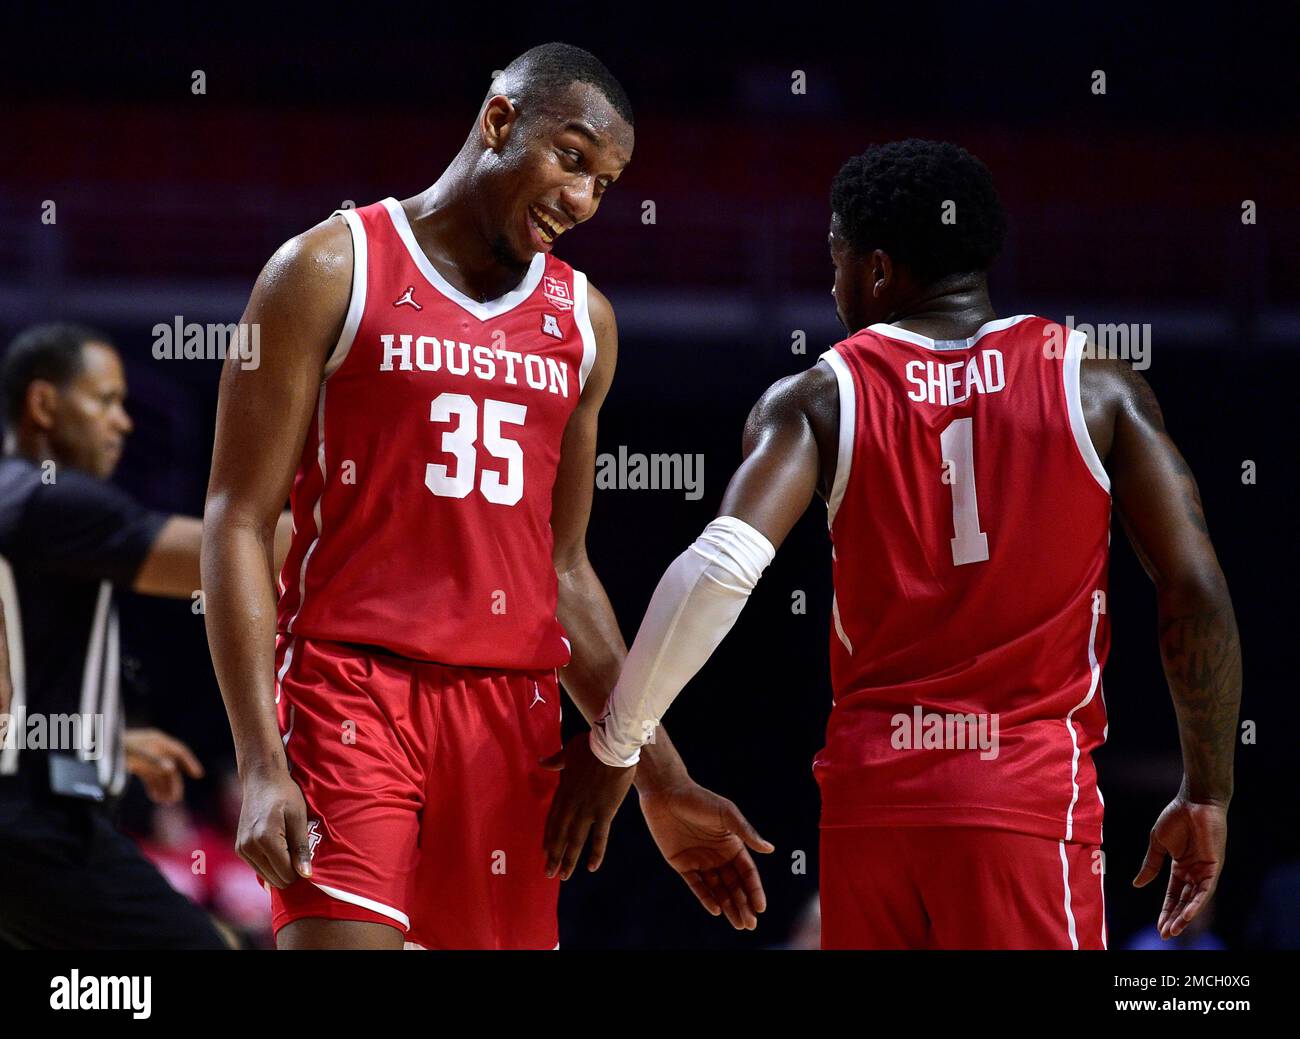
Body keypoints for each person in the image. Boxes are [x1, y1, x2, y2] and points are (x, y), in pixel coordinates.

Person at [545, 139, 1242, 950]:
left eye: (835, 261)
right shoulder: (1097, 384)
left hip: (871, 808)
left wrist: (620, 739)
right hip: (1024, 804)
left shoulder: (817, 395)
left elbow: (720, 567)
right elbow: (1194, 592)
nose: (833, 285)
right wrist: (1207, 792)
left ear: (876, 271)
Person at [202, 42, 770, 951]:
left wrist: (659, 775)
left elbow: (565, 572)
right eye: (573, 158)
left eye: (607, 182)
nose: (584, 199)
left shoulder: (584, 322)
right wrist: (260, 760)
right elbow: (237, 520)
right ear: (500, 121)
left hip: (511, 721)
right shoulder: (325, 270)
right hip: (352, 689)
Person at [0, 321, 230, 948]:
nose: (123, 423)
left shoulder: (15, 503)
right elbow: (218, 559)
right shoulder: (52, 502)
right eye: (104, 401)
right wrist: (363, 513)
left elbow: (20, 695)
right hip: (39, 829)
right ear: (44, 404)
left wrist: (106, 738)